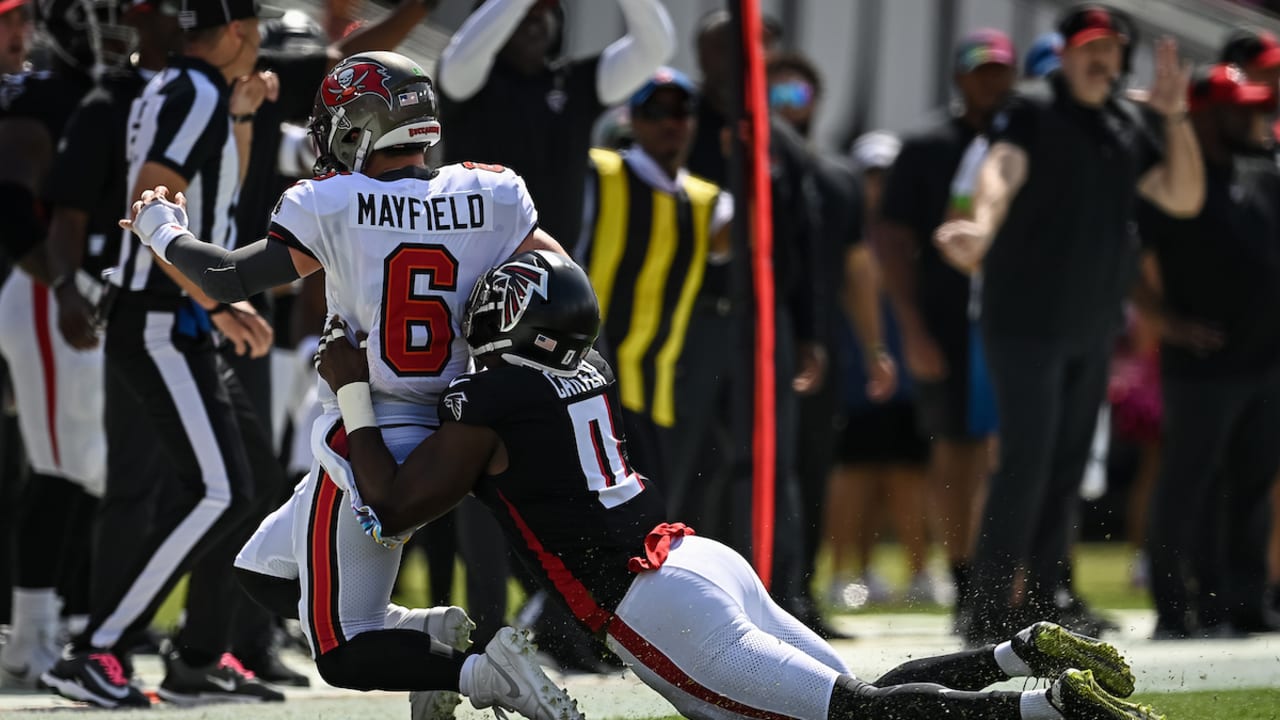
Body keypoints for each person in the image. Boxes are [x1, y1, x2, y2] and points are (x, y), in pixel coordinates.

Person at [314, 248, 1161, 720]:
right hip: (698, 564)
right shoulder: (582, 368)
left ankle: (1055, 709)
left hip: (647, 602)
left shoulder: (493, 393)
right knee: (857, 702)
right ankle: (1021, 652)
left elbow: (390, 505)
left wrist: (354, 387)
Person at [119, 50, 585, 720]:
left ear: (355, 126)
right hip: (451, 432)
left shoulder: (333, 202)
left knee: (341, 651)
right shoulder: (490, 193)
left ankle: (486, 674)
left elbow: (224, 277)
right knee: (266, 573)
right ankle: (425, 636)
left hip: (372, 438)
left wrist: (160, 226)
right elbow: (561, 284)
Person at [40, 0, 287, 707]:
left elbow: (217, 210)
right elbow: (156, 199)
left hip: (173, 314)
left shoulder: (191, 87)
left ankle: (196, 654)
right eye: (259, 30)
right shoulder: (192, 90)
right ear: (238, 34)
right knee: (221, 490)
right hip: (160, 314)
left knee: (252, 480)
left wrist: (242, 121)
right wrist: (215, 298)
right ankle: (97, 648)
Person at [935, 4, 1205, 646]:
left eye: (1110, 48)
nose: (1100, 58)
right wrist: (981, 224)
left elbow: (1184, 197)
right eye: (1088, 47)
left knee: (1063, 469)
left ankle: (1046, 601)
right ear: (1066, 53)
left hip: (1089, 326)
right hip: (1023, 322)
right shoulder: (1032, 106)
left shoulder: (1126, 122)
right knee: (1025, 464)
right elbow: (1003, 168)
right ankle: (987, 609)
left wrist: (1175, 117)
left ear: (1122, 58)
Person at [435, 0, 673, 669]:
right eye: (524, 9)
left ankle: (576, 628)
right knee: (476, 461)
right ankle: (487, 629)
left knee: (571, 462)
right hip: (474, 301)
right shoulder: (475, 79)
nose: (537, 18)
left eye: (548, 10)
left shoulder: (574, 82)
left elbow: (654, 45)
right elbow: (456, 63)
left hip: (554, 306)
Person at [1138, 63, 1280, 638]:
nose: (1256, 116)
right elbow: (1128, 263)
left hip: (1267, 360)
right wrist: (1163, 320)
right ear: (1205, 116)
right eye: (1240, 107)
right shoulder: (1171, 181)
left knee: (1253, 484)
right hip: (1204, 365)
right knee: (1187, 486)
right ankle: (1176, 607)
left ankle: (1243, 602)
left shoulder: (1264, 174)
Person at [877, 28, 1014, 623]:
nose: (993, 81)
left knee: (1012, 453)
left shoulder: (1026, 137)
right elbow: (890, 237)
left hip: (1021, 321)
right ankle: (965, 583)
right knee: (957, 451)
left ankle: (1021, 581)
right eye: (981, 70)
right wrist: (911, 327)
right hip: (950, 323)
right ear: (960, 78)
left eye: (1000, 71)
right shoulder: (929, 145)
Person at [0, 0, 99, 689]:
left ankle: (51, 623)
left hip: (78, 291)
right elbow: (11, 205)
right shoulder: (42, 96)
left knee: (83, 470)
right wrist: (63, 285)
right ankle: (31, 633)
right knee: (57, 469)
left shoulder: (122, 91)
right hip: (44, 290)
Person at [576, 67, 732, 496]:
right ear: (635, 120)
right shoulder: (600, 173)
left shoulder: (707, 199)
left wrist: (750, 162)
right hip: (590, 374)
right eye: (657, 111)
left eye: (682, 112)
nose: (671, 122)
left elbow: (749, 240)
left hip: (660, 385)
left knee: (653, 509)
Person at [826, 131, 933, 609]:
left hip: (906, 379)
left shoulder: (909, 232)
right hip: (852, 378)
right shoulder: (848, 233)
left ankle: (918, 572)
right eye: (871, 176)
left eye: (885, 176)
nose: (878, 186)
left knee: (907, 475)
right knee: (855, 478)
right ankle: (844, 573)